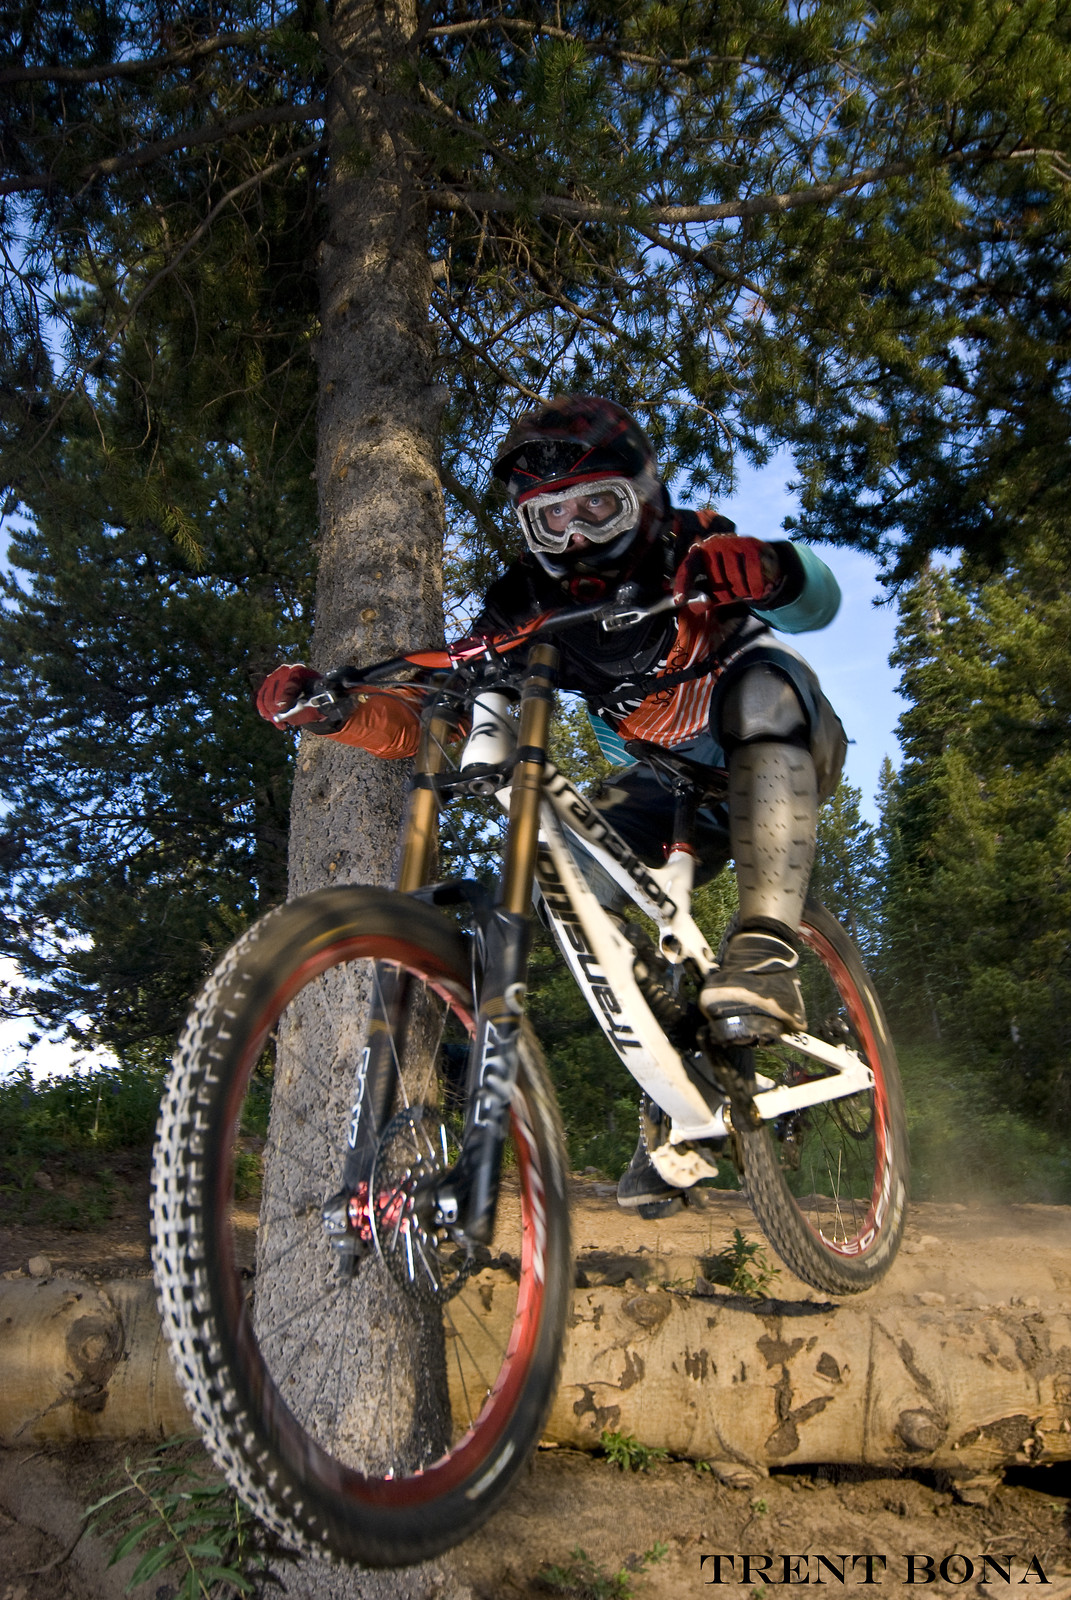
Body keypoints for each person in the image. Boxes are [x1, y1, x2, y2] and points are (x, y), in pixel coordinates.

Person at [257, 396, 846, 1212]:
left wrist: (774, 570)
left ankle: (768, 948)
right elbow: (450, 718)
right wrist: (343, 714)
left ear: (643, 497)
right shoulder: (521, 603)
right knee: (564, 884)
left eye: (596, 507)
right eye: (549, 520)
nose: (574, 538)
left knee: (758, 685)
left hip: (777, 745)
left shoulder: (692, 540)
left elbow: (816, 603)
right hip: (660, 789)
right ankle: (679, 1109)